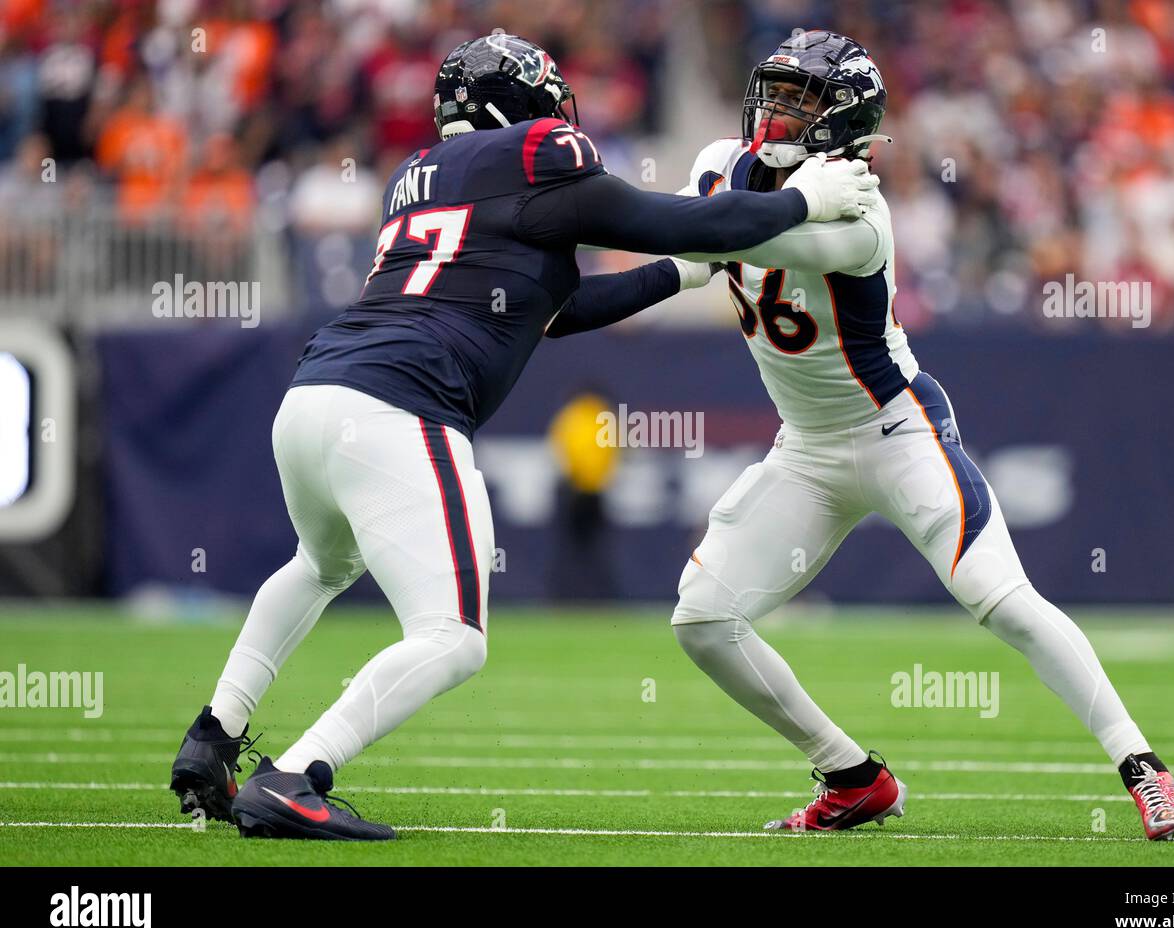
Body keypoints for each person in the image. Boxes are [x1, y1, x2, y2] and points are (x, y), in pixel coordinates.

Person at [167, 32, 879, 840]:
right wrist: (802, 202)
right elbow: (677, 220)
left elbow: (553, 310)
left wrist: (686, 272)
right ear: (519, 104)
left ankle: (212, 738)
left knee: (319, 564)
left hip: (313, 393)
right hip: (399, 403)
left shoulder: (416, 176)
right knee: (452, 638)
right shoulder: (542, 149)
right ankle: (297, 776)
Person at [667, 30, 1174, 839]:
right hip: (806, 450)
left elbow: (732, 233)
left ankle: (1145, 770)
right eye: (774, 91)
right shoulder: (720, 163)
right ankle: (851, 777)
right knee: (702, 620)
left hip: (896, 431)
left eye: (800, 99)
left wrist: (635, 216)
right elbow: (701, 234)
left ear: (842, 119)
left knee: (1004, 601)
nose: (776, 110)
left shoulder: (860, 211)